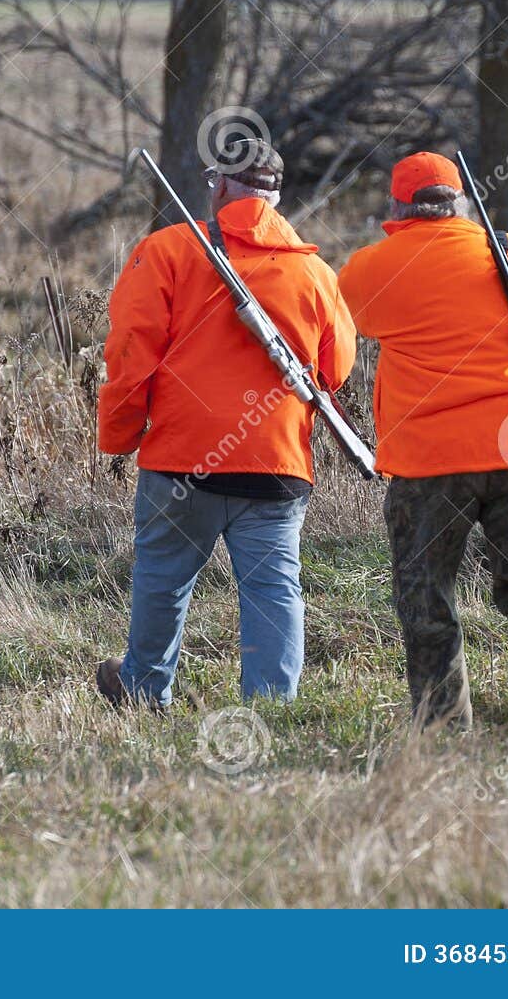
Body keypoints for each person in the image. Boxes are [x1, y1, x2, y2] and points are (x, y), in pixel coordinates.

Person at [337, 152, 508, 735]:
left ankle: (444, 731)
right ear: (462, 202)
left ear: (397, 208)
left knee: (426, 594)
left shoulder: (370, 270)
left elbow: (336, 333)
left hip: (428, 460)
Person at [95, 144, 357, 709]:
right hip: (276, 462)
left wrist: (119, 434)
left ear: (219, 187)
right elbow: (335, 370)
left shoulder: (167, 251)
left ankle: (143, 691)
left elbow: (131, 351)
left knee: (163, 579)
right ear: (276, 196)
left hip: (181, 459)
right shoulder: (315, 272)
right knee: (272, 588)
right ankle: (271, 707)